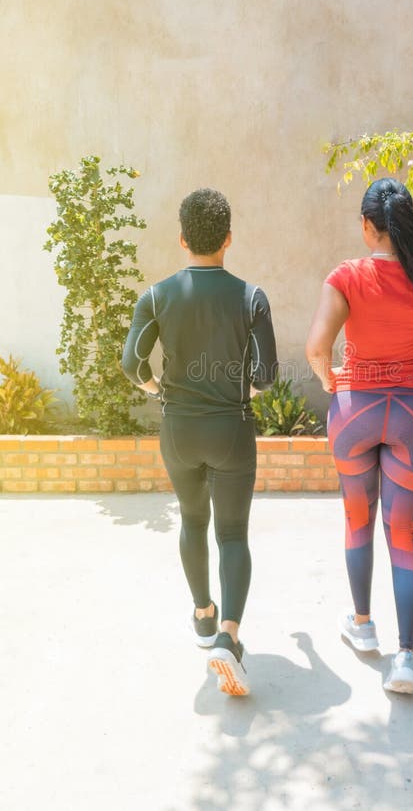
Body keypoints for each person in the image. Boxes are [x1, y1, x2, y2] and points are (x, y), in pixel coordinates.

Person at [305, 178, 413, 695]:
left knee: (357, 519)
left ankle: (363, 624)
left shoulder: (347, 276)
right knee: (405, 532)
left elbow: (316, 348)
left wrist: (335, 382)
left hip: (356, 412)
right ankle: (407, 658)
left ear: (368, 226)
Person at [122, 188, 277, 696]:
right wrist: (238, 393)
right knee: (232, 534)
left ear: (182, 238)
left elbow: (132, 364)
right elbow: (266, 373)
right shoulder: (251, 297)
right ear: (228, 239)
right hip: (231, 428)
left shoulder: (156, 295)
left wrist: (157, 389)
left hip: (179, 430)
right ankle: (229, 639)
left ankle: (204, 617)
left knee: (193, 519)